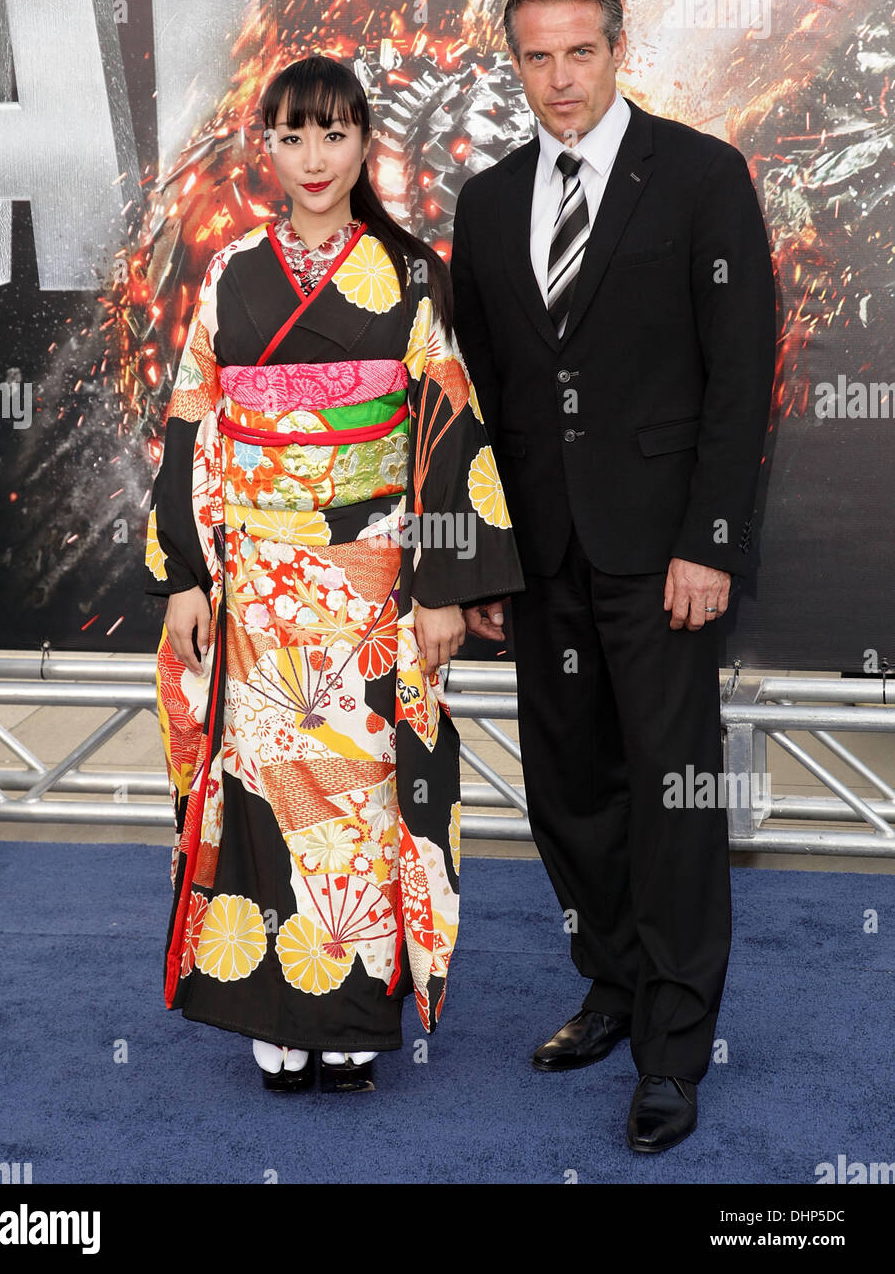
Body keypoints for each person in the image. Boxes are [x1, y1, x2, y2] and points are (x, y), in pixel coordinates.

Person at [144, 54, 524, 1094]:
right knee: (268, 790)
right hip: (261, 581)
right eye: (292, 136)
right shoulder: (232, 273)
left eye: (334, 134)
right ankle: (275, 1011)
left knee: (360, 799)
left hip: (369, 580)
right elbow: (194, 420)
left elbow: (450, 429)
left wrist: (444, 585)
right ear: (263, 147)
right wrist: (187, 573)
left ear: (366, 144)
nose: (314, 158)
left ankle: (352, 1012)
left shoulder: (410, 275)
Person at [452, 0, 776, 1151]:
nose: (558, 79)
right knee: (570, 787)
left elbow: (743, 377)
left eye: (577, 53)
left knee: (672, 793)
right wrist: (485, 560)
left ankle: (675, 1044)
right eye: (536, 57)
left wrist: (710, 540)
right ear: (516, 62)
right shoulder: (486, 204)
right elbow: (475, 395)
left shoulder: (699, 176)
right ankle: (613, 980)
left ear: (616, 46)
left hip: (663, 555)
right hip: (543, 554)